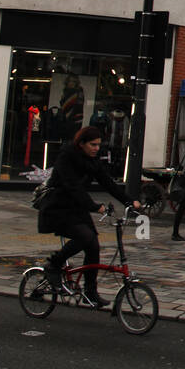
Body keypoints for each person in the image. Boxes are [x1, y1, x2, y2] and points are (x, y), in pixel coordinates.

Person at [38, 125, 141, 308]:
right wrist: (94, 206)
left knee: (93, 245)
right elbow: (72, 187)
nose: (96, 148)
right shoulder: (67, 156)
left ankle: (90, 292)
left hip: (76, 208)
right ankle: (53, 264)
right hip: (57, 208)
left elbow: (107, 182)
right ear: (82, 143)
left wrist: (128, 201)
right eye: (92, 145)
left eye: (98, 145)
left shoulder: (92, 160)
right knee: (85, 237)